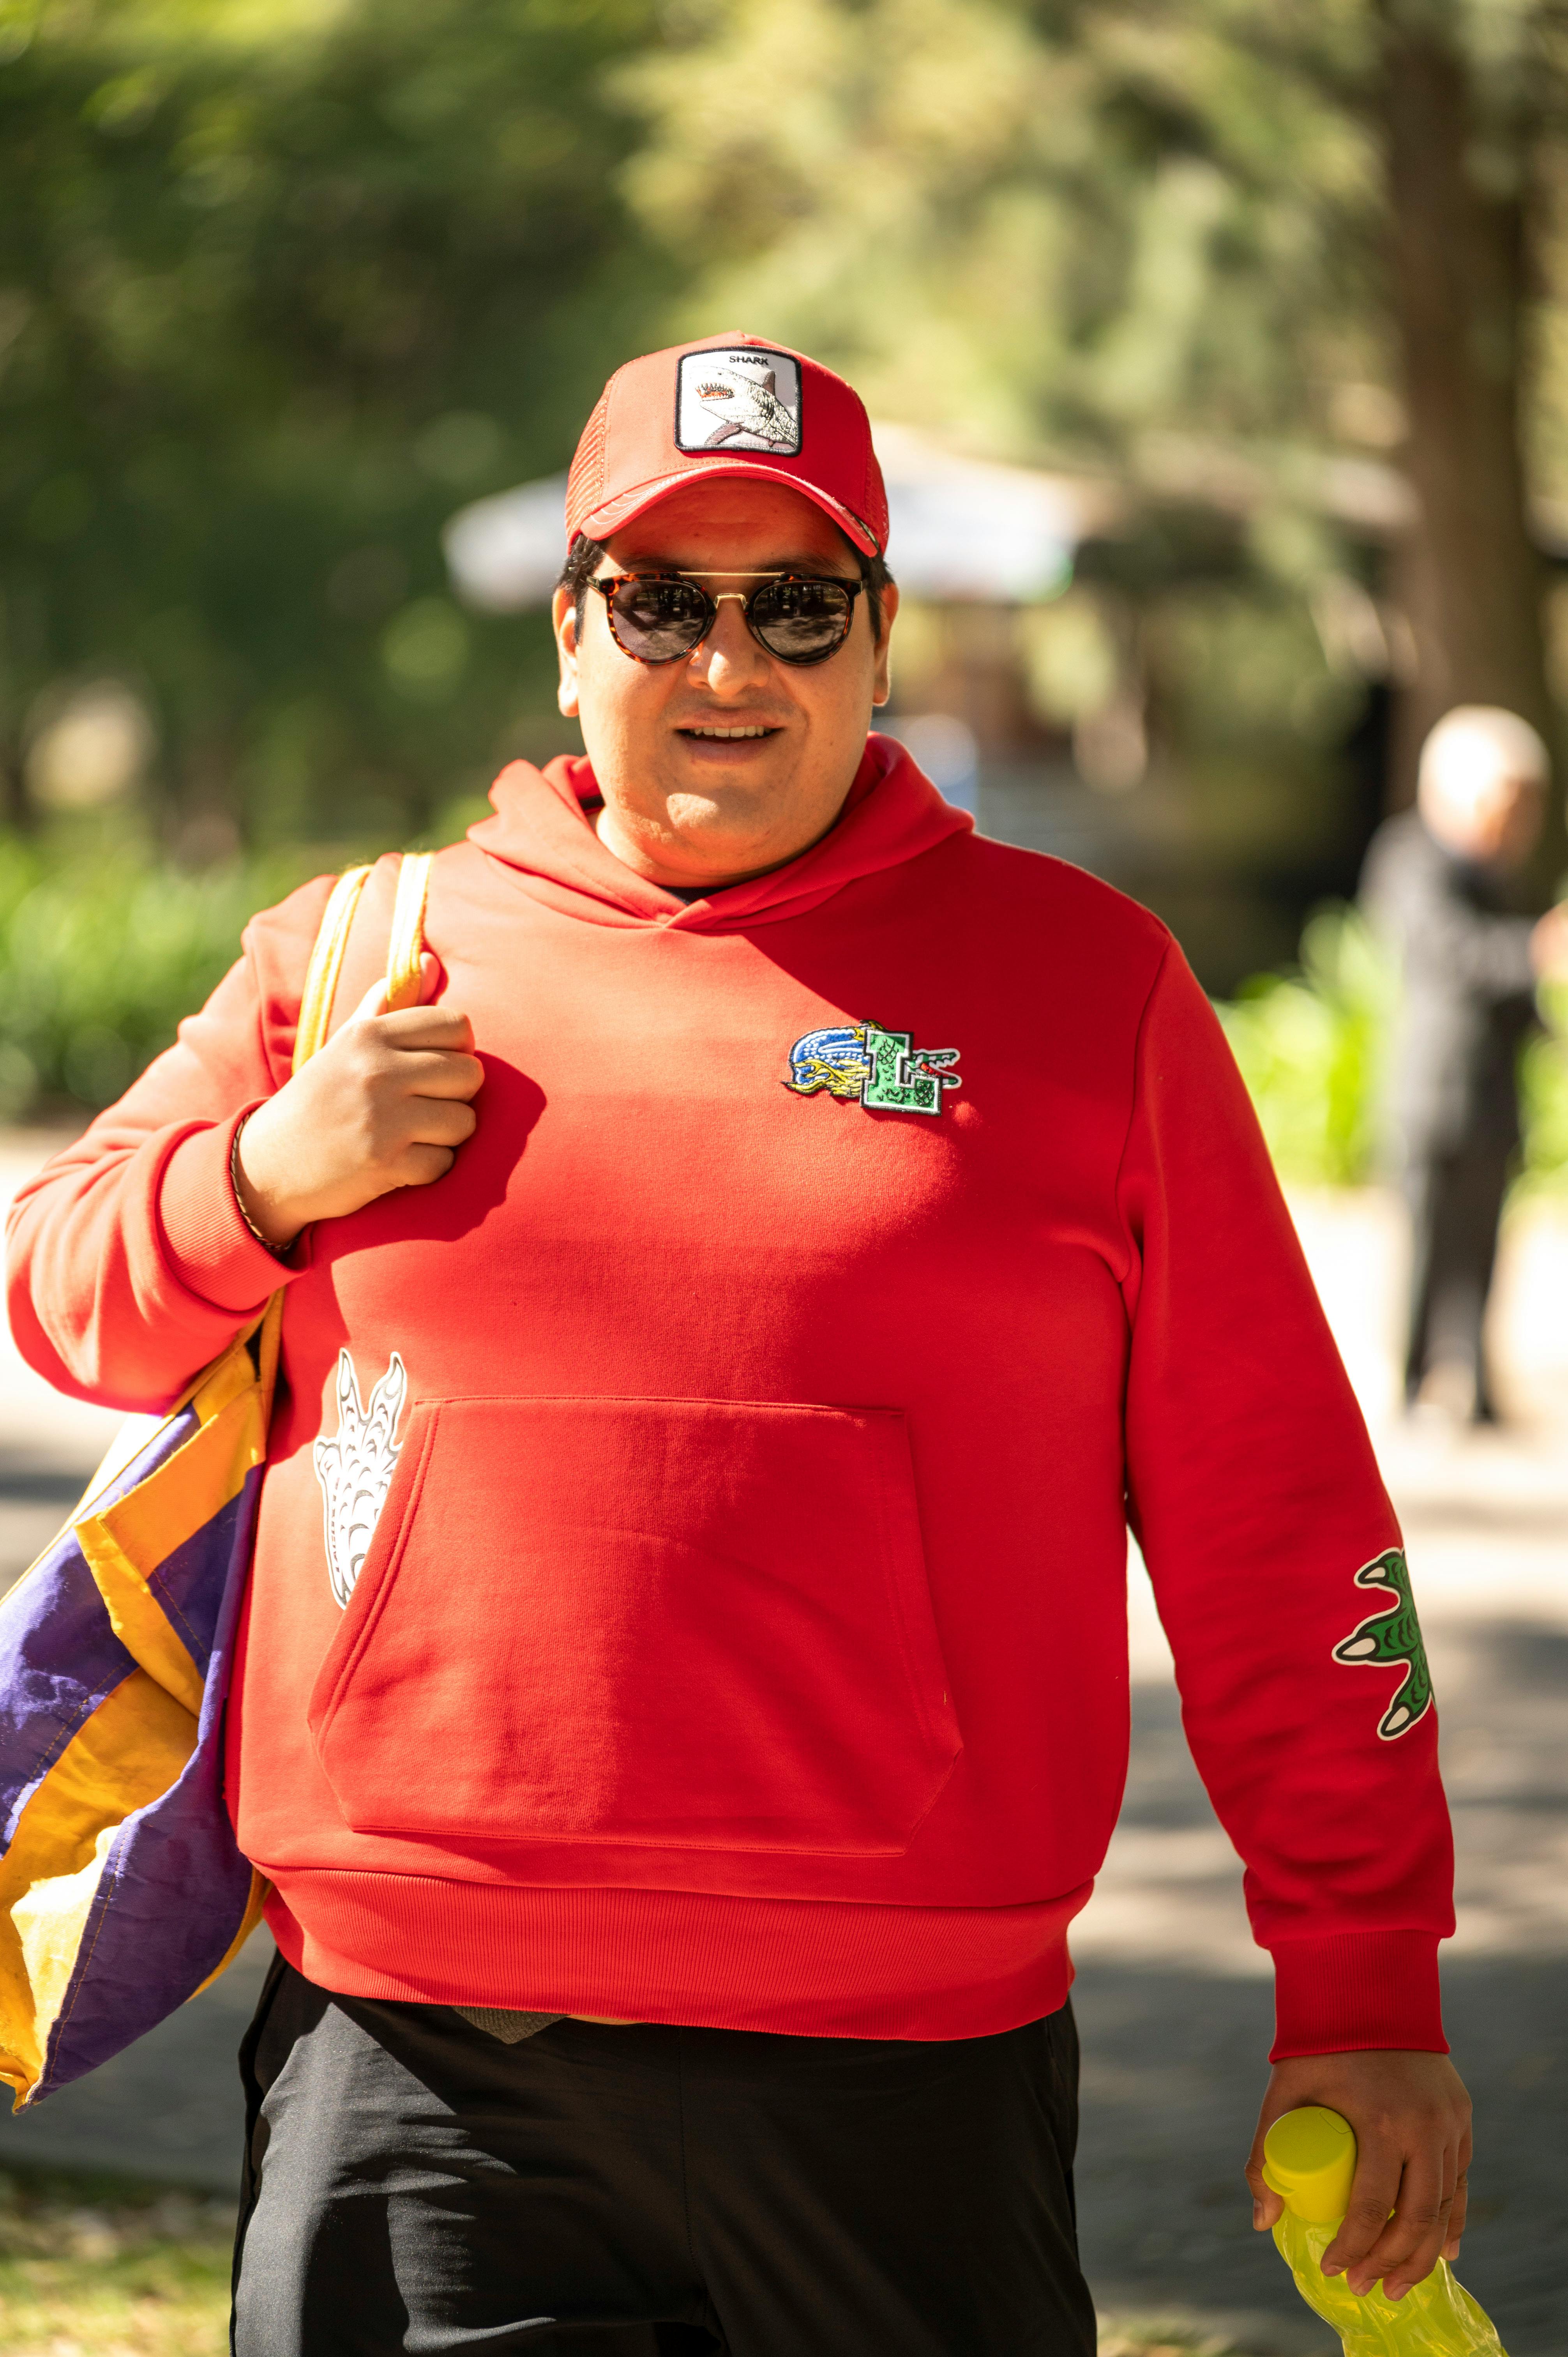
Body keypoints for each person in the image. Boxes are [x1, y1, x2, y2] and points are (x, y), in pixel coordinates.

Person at [8, 335, 1469, 2357]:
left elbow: (1293, 1536)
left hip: (906, 2089)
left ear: (878, 641)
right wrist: (264, 1172)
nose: (725, 665)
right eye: (660, 602)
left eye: (792, 606)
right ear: (566, 637)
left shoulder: (1085, 994)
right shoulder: (353, 964)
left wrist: (1365, 1984)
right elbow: (56, 1288)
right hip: (418, 2071)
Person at [1360, 705, 1568, 1422]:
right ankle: (1414, 1382)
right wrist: (1535, 953)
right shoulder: (1411, 858)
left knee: (1484, 1249)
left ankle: (1474, 1384)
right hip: (1431, 1092)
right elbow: (1452, 954)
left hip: (1494, 1095)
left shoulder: (1493, 876)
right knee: (1426, 1243)